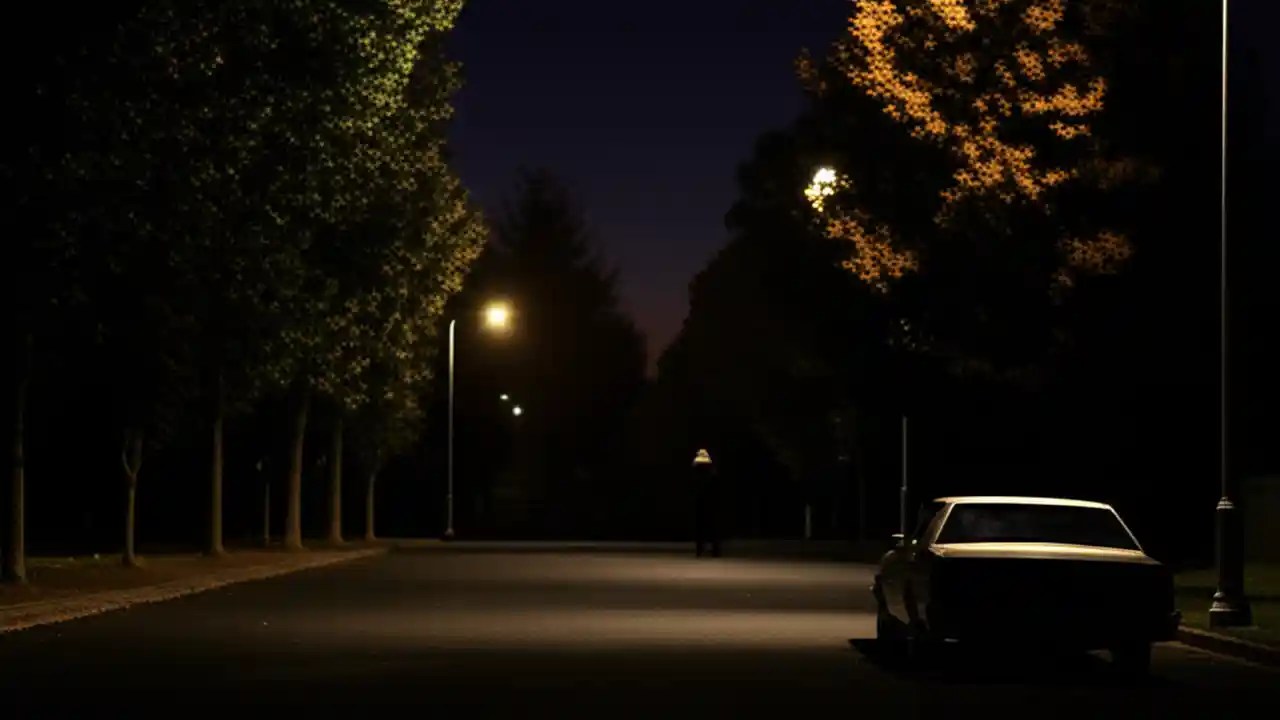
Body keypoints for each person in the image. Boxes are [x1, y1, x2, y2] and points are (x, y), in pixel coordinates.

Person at [692, 449, 721, 557]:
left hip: (705, 503)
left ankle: (703, 550)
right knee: (710, 528)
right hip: (707, 503)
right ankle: (711, 550)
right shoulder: (709, 473)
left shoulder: (702, 473)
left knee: (703, 527)